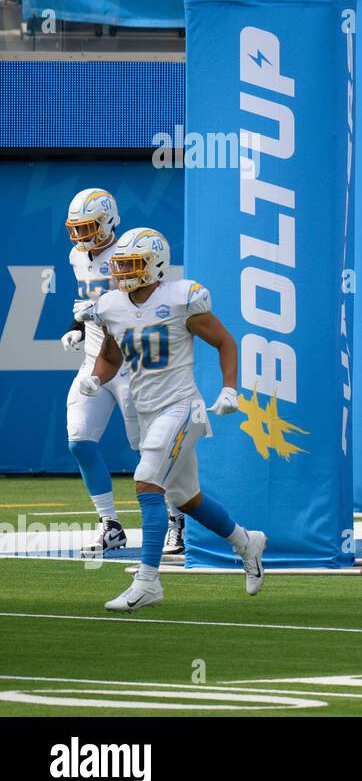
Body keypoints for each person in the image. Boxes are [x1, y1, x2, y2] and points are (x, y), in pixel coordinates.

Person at [75, 228, 266, 612]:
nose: (124, 273)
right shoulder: (111, 305)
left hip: (182, 408)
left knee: (146, 482)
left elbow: (225, 342)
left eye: (132, 265)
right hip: (148, 411)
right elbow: (111, 356)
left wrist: (230, 389)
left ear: (155, 264)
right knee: (187, 499)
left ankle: (148, 582)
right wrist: (96, 378)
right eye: (120, 265)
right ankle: (247, 542)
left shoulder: (181, 299)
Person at [61, 189, 139, 557]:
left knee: (148, 449)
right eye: (76, 227)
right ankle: (110, 524)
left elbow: (142, 303)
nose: (81, 235)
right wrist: (78, 324)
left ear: (108, 220)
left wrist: (103, 310)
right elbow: (85, 297)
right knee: (79, 439)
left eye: (88, 226)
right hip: (94, 362)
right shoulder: (78, 255)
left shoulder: (128, 252)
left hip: (130, 365)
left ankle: (176, 521)